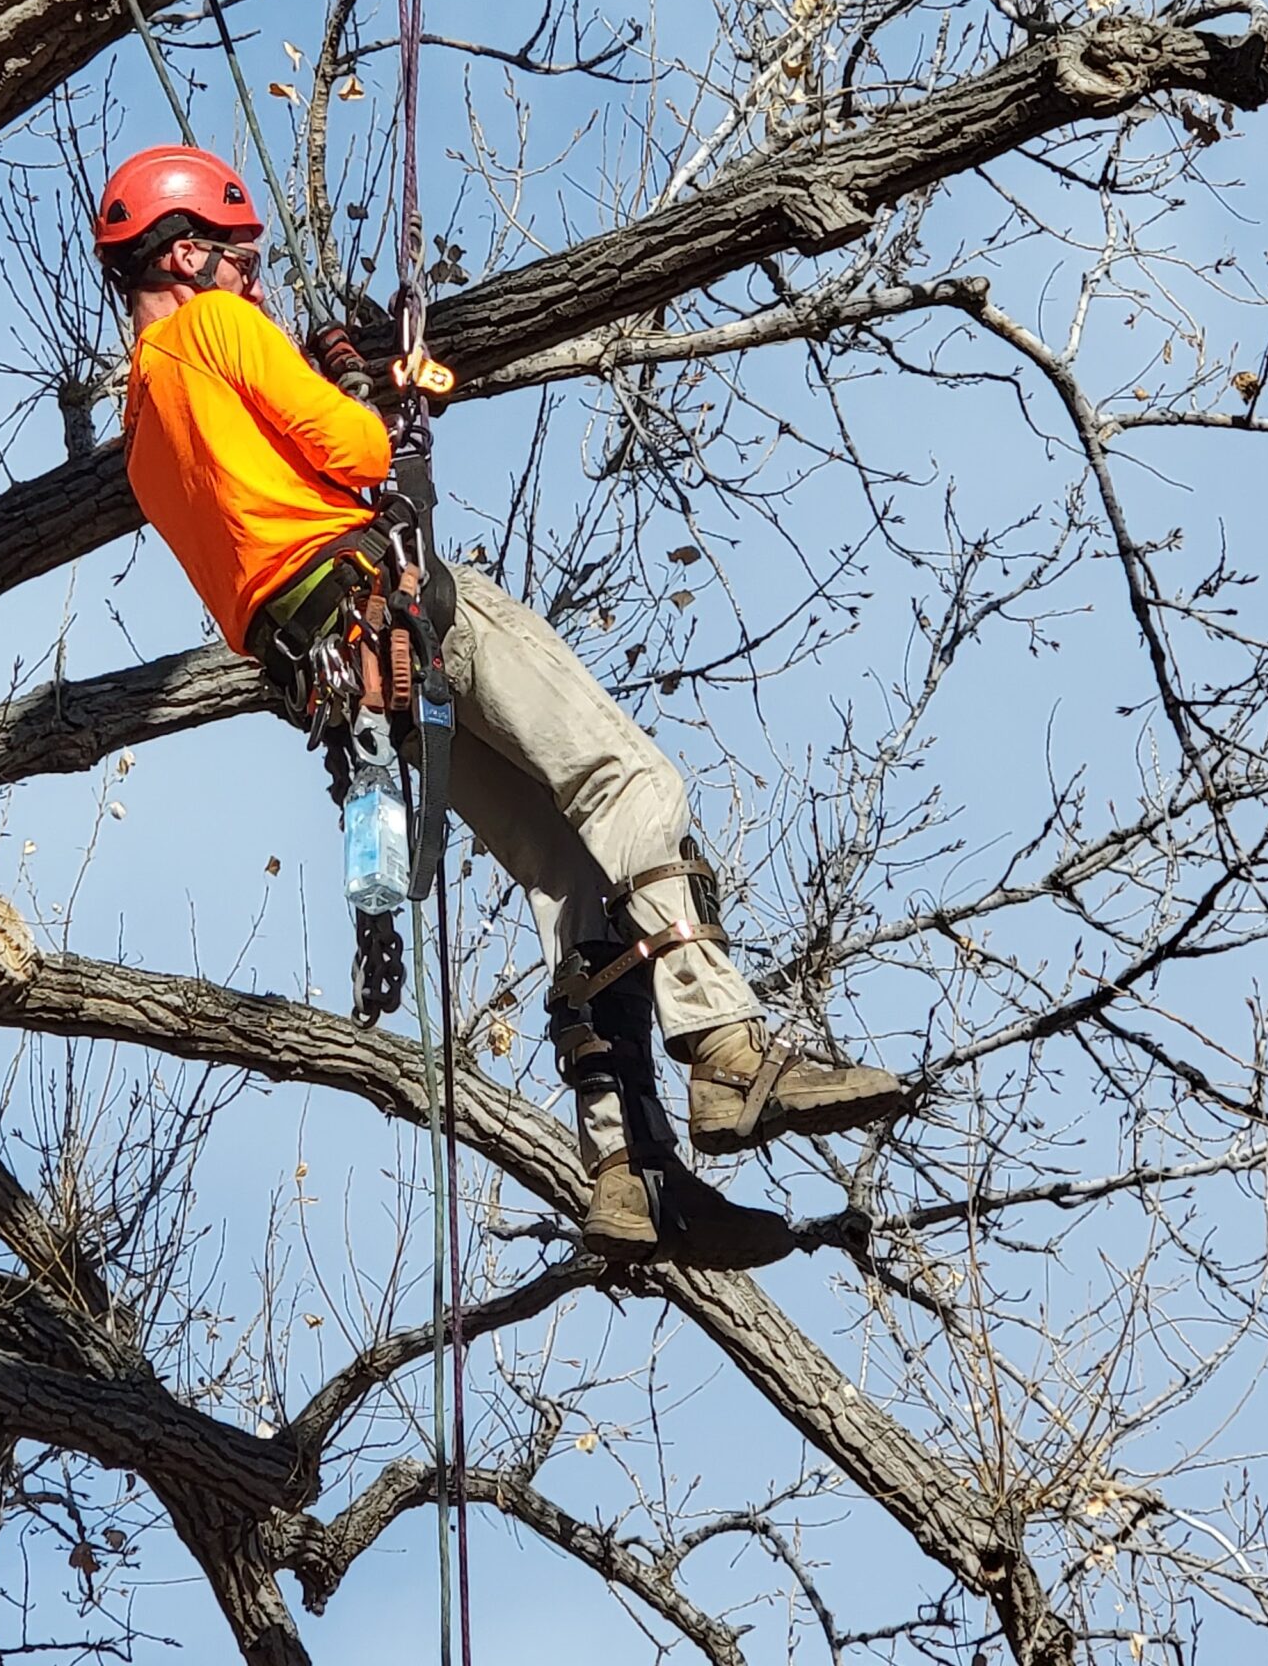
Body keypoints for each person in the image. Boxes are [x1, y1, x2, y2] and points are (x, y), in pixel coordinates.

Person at [95, 144, 905, 1270]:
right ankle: (726, 1045)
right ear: (185, 255)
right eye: (241, 260)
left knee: (569, 872)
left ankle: (626, 1168)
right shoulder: (220, 330)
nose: (254, 281)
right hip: (405, 607)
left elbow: (260, 514)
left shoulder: (142, 439)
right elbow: (358, 447)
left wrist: (327, 383)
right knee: (629, 779)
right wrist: (363, 394)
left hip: (346, 678)